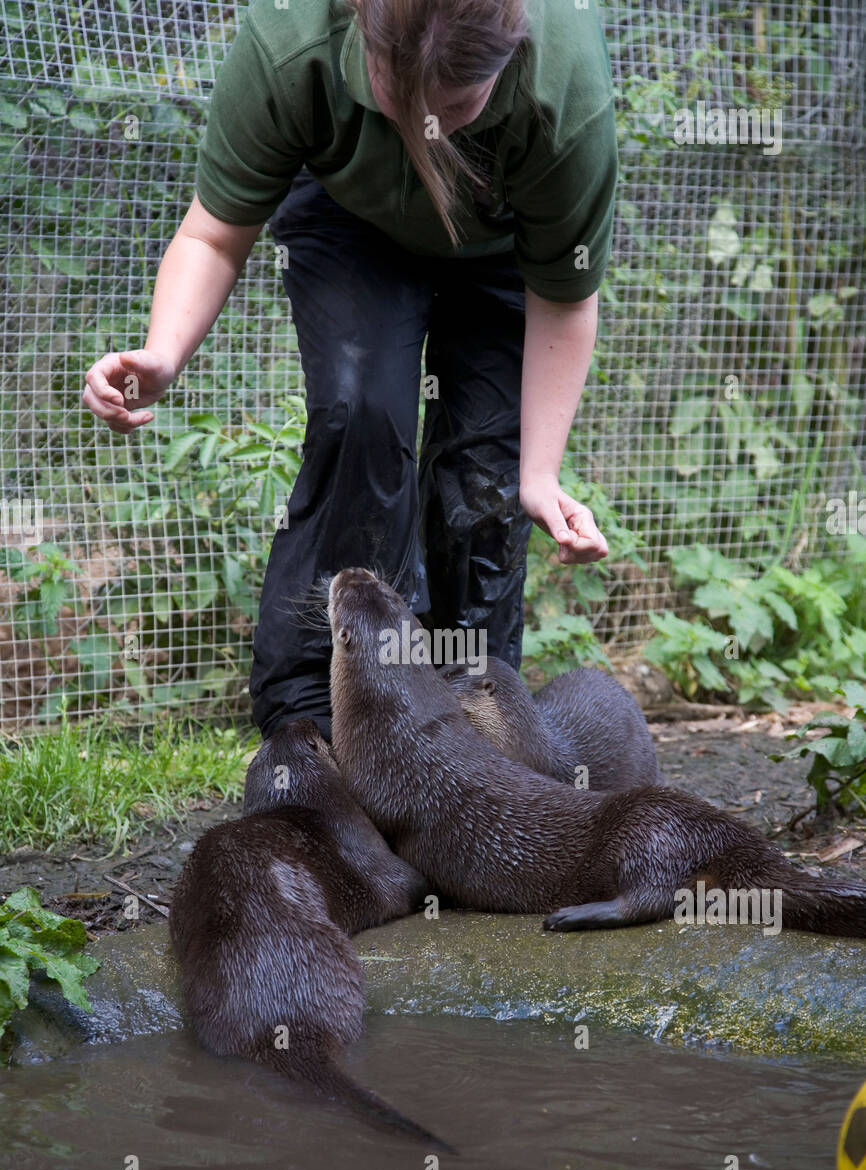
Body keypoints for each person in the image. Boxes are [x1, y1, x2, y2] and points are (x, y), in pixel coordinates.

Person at [82, 0, 617, 740]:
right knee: (361, 415)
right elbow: (213, 232)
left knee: (484, 482)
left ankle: (476, 737)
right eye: (398, 101)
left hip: (502, 249)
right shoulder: (290, 36)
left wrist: (539, 476)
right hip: (352, 221)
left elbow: (565, 295)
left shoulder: (565, 83)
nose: (424, 132)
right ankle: (315, 733)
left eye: (457, 106)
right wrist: (163, 355)